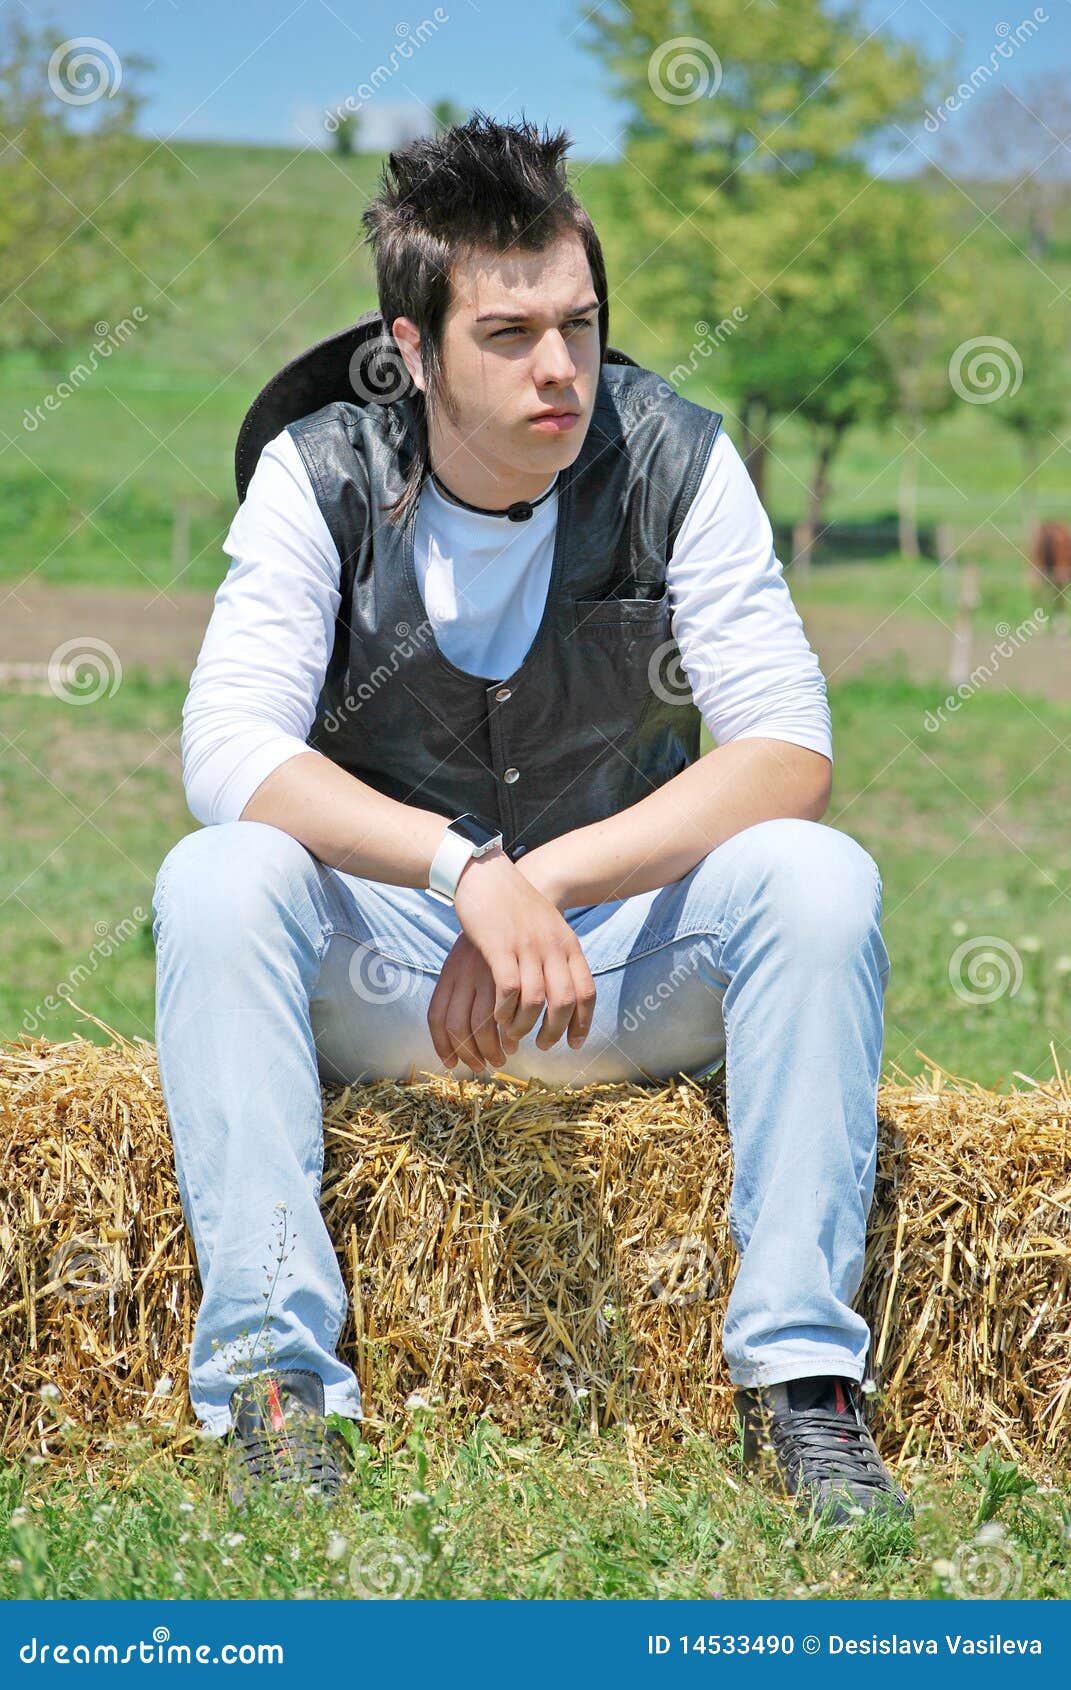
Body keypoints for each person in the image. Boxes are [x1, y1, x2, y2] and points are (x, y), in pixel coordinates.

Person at [152, 111, 911, 1527]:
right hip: (388, 976)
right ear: (414, 343)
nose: (561, 365)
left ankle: (802, 1387)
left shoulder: (682, 455)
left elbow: (789, 749)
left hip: (611, 974)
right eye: (508, 334)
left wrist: (536, 883)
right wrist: (456, 870)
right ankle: (273, 1396)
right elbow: (229, 747)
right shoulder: (316, 472)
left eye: (581, 321)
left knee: (817, 875)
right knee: (218, 878)